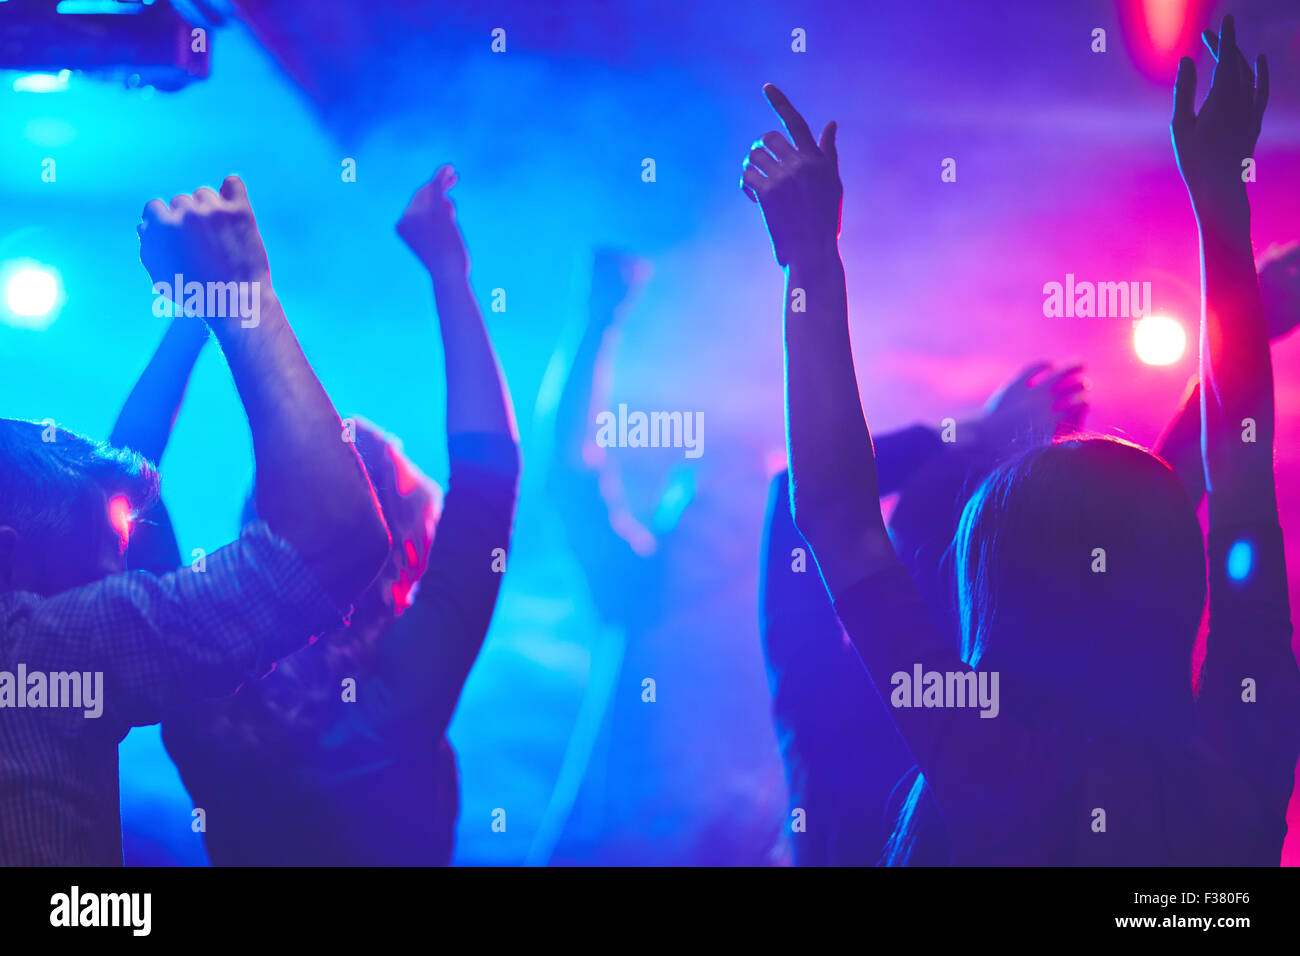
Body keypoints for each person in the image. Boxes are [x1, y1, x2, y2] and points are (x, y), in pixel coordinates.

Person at [742, 11, 1300, 865]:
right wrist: (1223, 202)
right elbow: (1244, 465)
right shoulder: (1237, 756)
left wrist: (812, 266)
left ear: (990, 589)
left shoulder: (986, 758)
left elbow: (832, 514)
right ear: (1178, 571)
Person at [115, 167, 521, 865]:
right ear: (415, 540)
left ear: (259, 523)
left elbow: (120, 480)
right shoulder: (404, 691)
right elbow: (488, 480)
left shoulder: (202, 668)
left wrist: (197, 313)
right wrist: (449, 275)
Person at [0, 175, 390, 865]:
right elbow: (333, 541)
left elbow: (129, 479)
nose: (130, 579)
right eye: (105, 571)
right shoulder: (43, 648)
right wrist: (241, 290)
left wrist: (194, 316)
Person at [761, 363, 1087, 865]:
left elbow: (796, 493)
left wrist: (969, 436)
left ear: (894, 550)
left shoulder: (826, 701)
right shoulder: (1030, 726)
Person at [546, 250, 786, 865]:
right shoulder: (640, 591)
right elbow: (569, 472)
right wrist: (597, 324)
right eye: (697, 503)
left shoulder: (794, 634)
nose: (709, 520)